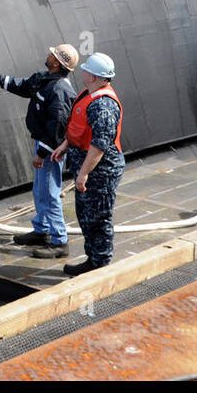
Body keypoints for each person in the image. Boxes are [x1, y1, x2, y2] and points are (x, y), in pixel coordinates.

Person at [0, 44, 80, 258]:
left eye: (52, 54)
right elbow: (25, 86)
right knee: (39, 190)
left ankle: (59, 241)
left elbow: (58, 128)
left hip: (50, 150)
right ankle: (42, 230)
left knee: (50, 193)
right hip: (43, 144)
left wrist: (41, 153)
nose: (48, 54)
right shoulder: (45, 79)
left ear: (56, 62)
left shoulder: (60, 90)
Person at [51, 52, 125, 276]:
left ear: (93, 76)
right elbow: (80, 128)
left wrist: (83, 175)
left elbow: (100, 145)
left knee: (98, 218)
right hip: (86, 167)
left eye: (85, 70)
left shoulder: (103, 105)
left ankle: (100, 263)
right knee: (85, 215)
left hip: (99, 172)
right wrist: (66, 144)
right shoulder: (89, 95)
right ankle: (92, 258)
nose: (81, 71)